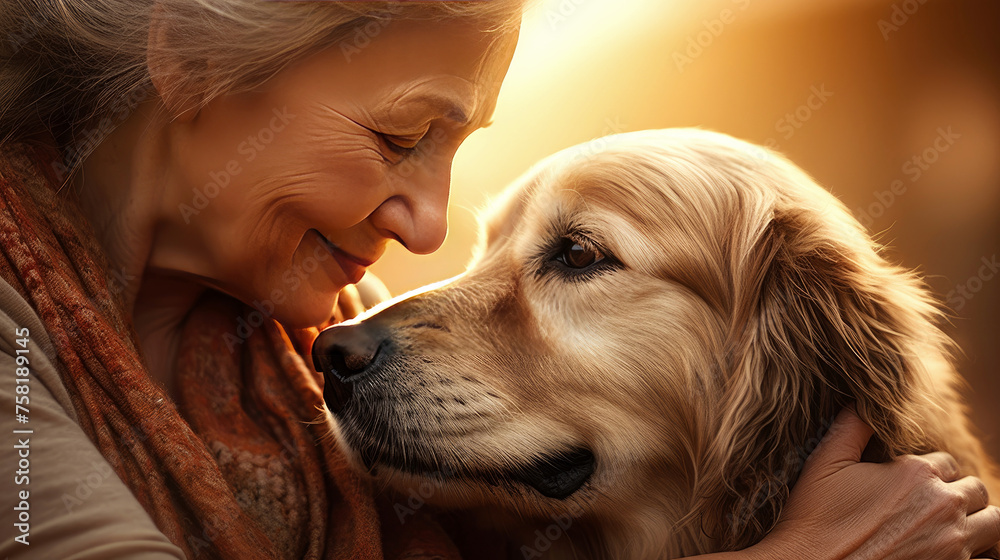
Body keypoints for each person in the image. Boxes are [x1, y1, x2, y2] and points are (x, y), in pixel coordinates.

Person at [0, 1, 997, 559]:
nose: (424, 224)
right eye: (396, 135)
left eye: (577, 256)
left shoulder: (299, 334)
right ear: (192, 65)